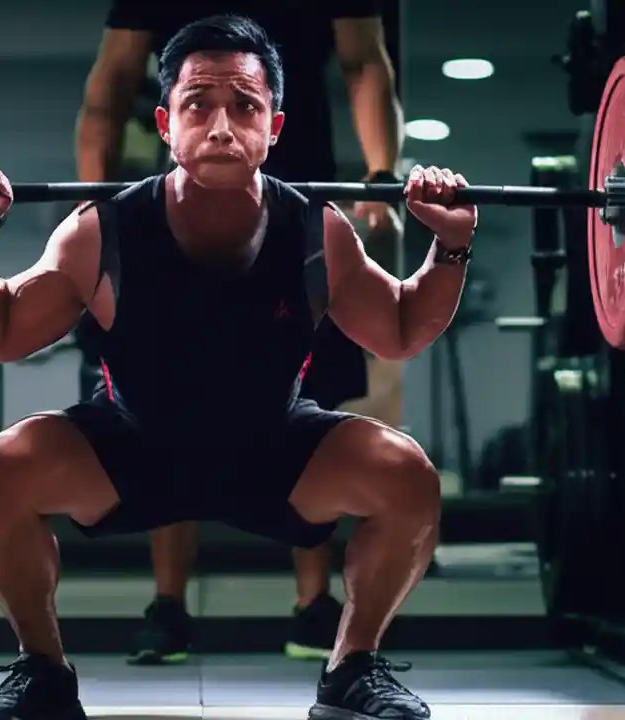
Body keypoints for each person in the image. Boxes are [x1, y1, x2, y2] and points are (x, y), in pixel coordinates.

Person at [0, 16, 474, 720]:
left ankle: (351, 671)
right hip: (134, 452)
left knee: (405, 475)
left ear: (275, 127)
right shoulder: (102, 231)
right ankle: (42, 672)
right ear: (166, 122)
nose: (221, 126)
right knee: (0, 471)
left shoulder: (318, 231)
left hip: (273, 453)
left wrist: (450, 248)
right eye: (198, 104)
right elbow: (3, 331)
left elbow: (402, 327)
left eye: (246, 107)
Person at [73, 0, 405, 665]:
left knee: (306, 402)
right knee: (159, 403)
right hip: (178, 202)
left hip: (290, 197)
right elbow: (110, 82)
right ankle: (169, 606)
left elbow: (364, 60)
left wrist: (380, 174)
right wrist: (99, 201)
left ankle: (312, 607)